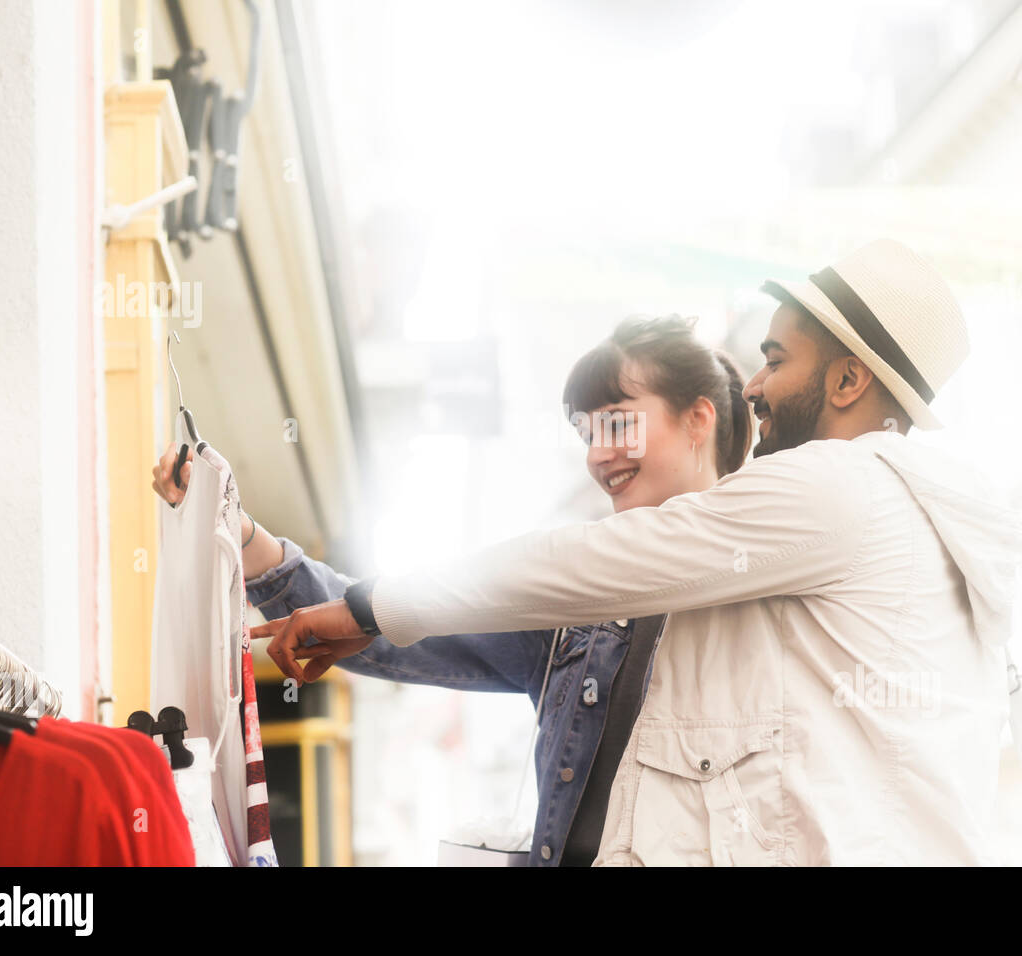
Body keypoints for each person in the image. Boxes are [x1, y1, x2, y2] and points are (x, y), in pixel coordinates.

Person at [257, 238, 1022, 866]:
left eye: (777, 358)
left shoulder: (840, 489)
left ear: (847, 380)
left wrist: (368, 606)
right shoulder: (902, 522)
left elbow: (583, 564)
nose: (755, 384)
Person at [152, 315, 752, 867]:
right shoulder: (576, 612)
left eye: (617, 424)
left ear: (698, 419)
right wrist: (244, 535)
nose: (598, 456)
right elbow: (402, 630)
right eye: (586, 434)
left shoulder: (767, 598)